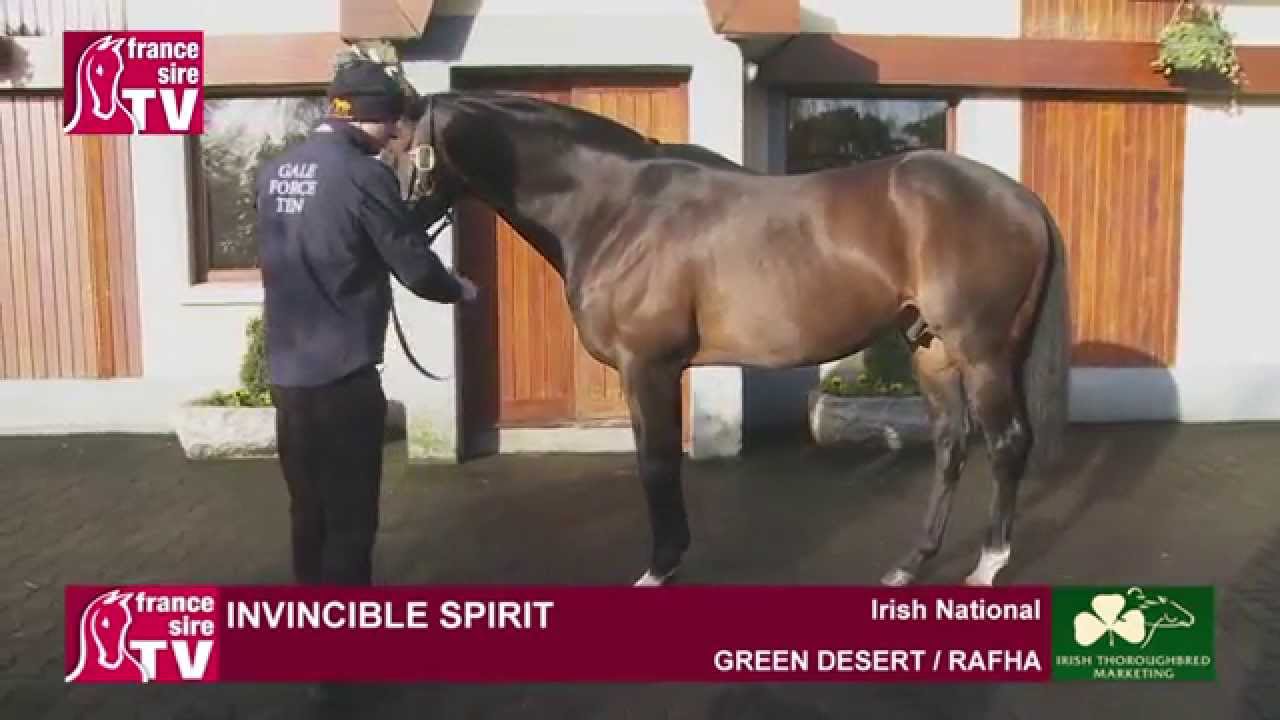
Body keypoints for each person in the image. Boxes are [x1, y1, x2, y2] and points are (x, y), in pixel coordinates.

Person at [254, 57, 476, 588]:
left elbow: (336, 237)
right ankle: (344, 658)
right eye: (392, 120)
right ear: (365, 116)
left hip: (289, 376)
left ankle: (310, 633)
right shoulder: (364, 174)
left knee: (308, 515)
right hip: (344, 380)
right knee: (352, 522)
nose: (397, 131)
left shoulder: (274, 171)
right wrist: (460, 290)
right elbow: (415, 268)